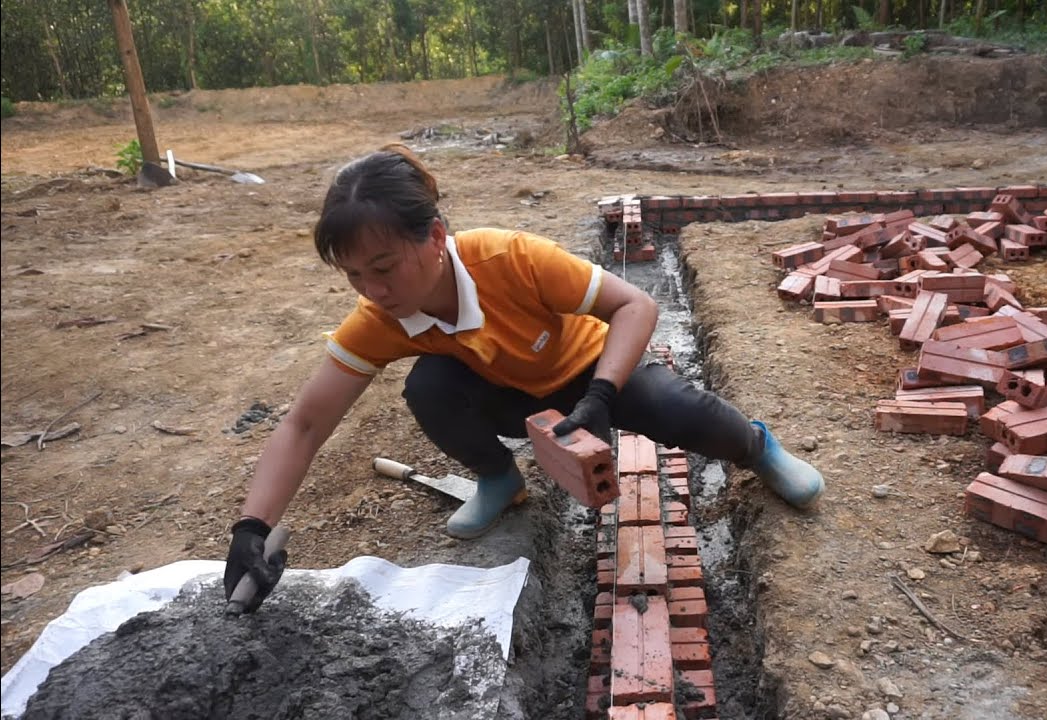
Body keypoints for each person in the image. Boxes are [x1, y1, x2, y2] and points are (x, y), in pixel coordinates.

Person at [222, 144, 825, 612]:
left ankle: (758, 447)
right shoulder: (380, 318)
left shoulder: (509, 259)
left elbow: (635, 307)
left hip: (594, 373)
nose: (373, 289)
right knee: (428, 387)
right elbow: (304, 424)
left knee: (679, 407)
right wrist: (252, 528)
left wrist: (601, 394)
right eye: (354, 274)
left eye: (383, 266)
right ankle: (497, 479)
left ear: (434, 237)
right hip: (508, 395)